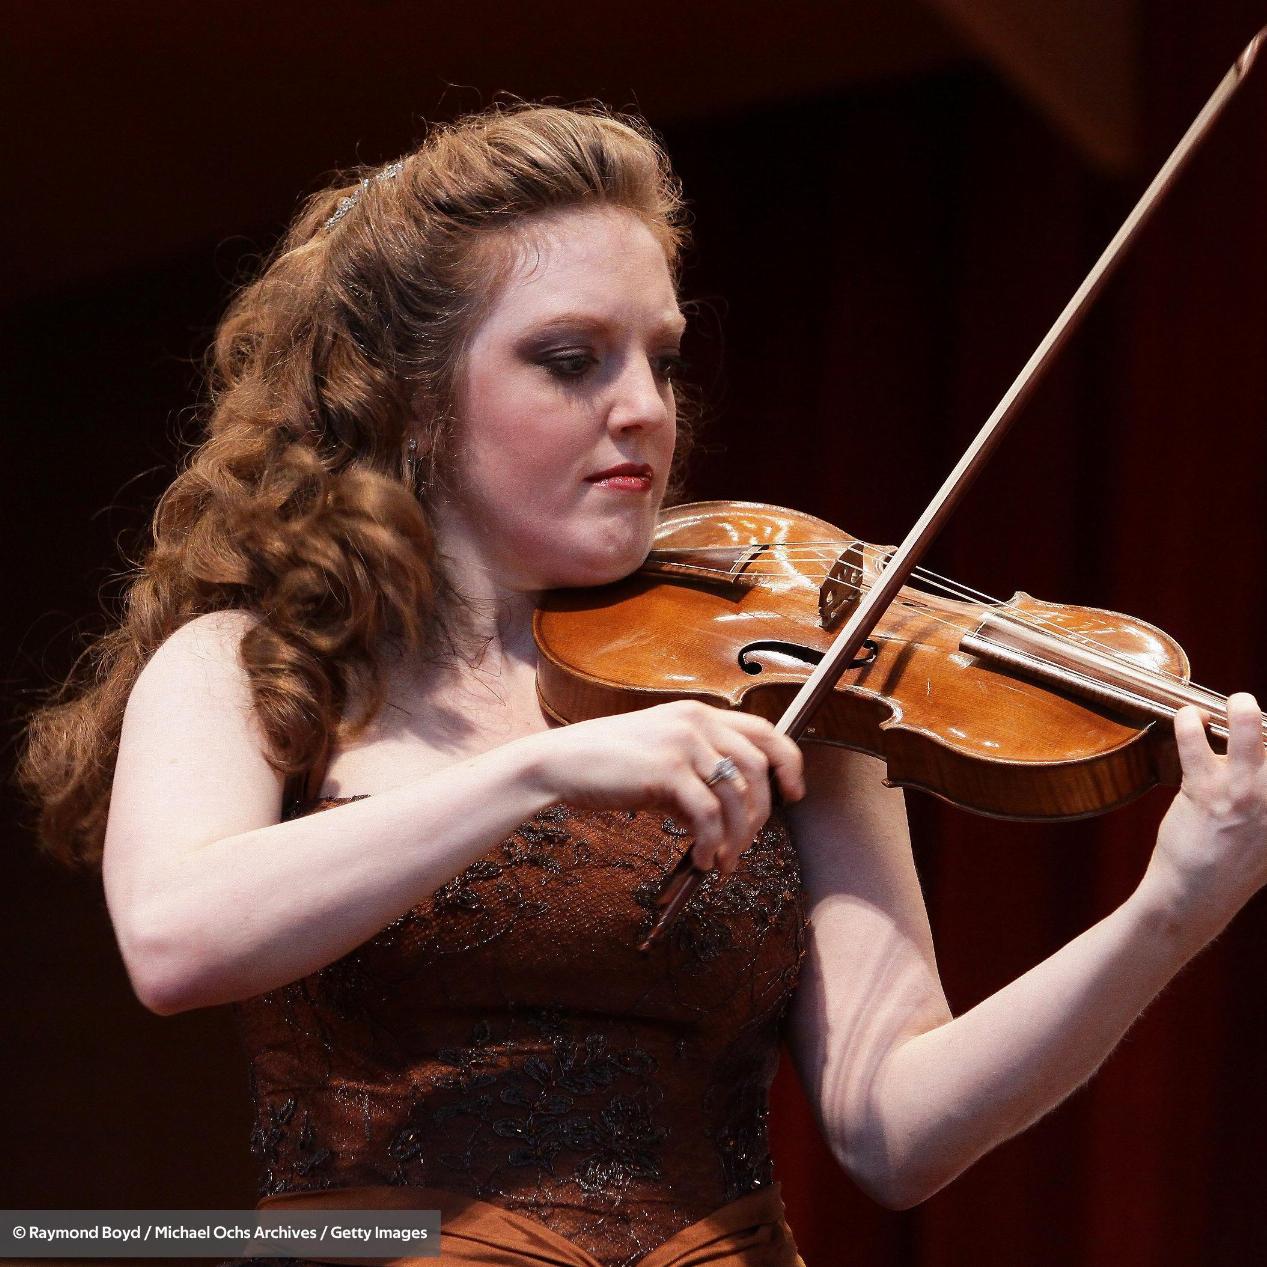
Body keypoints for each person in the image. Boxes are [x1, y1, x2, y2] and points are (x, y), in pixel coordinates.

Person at [16, 102, 1267, 1267]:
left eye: (659, 360)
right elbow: (175, 939)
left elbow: (896, 1128)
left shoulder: (786, 688)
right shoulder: (259, 664)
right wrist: (539, 766)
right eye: (570, 360)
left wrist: (1173, 904)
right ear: (410, 397)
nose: (645, 410)